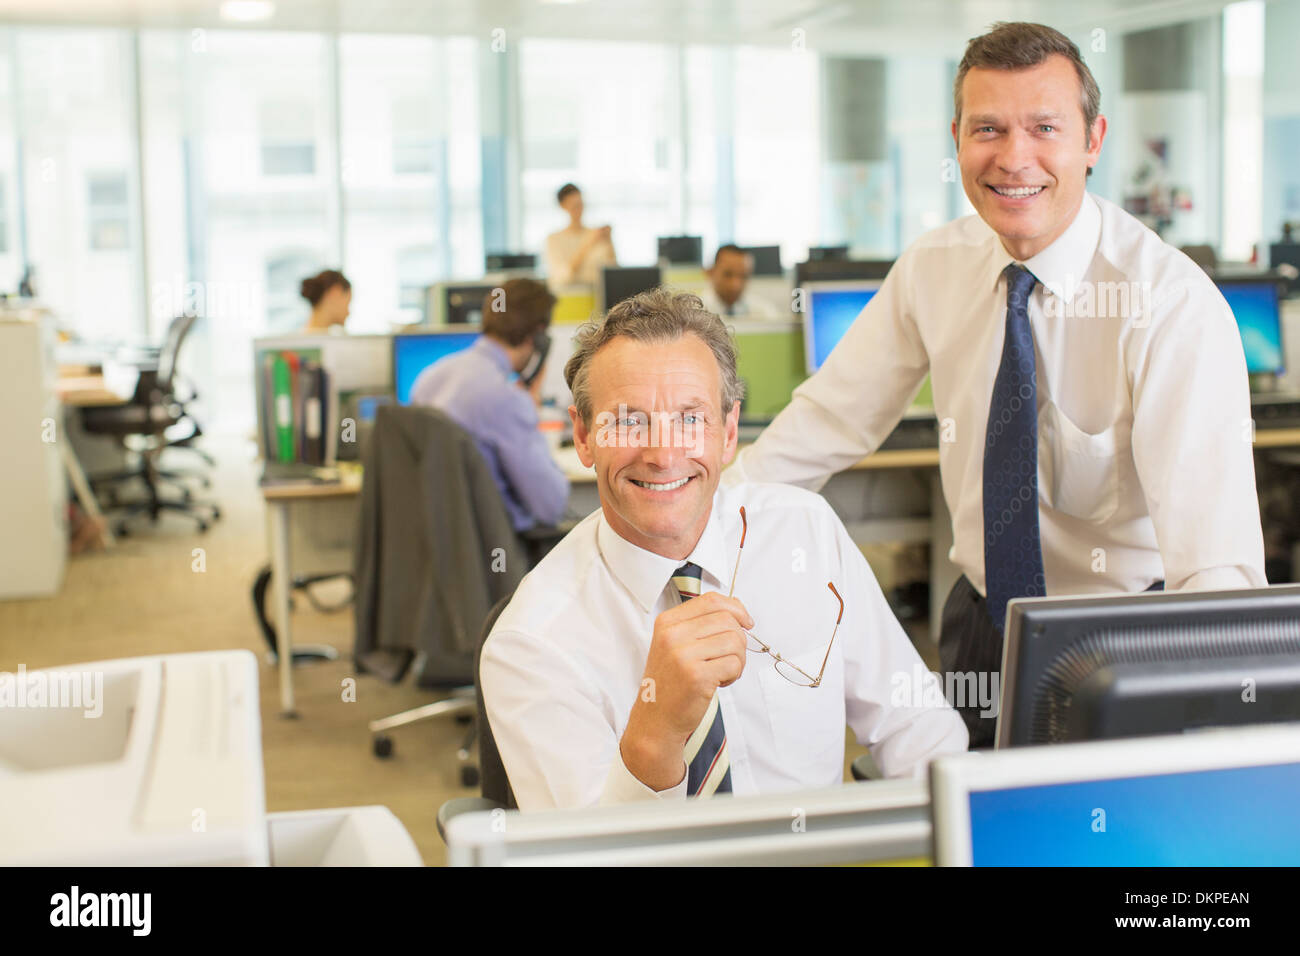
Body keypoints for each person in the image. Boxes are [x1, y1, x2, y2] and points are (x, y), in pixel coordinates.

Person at [727, 21, 1267, 748]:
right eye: (989, 128)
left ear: (1093, 139)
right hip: (979, 624)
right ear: (956, 140)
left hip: (1122, 640)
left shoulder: (1169, 305)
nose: (1015, 158)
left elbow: (1216, 564)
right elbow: (828, 419)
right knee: (970, 838)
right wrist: (705, 528)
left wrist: (1221, 733)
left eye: (1045, 127)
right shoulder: (935, 267)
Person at [480, 289, 966, 811]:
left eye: (690, 418)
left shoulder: (804, 532)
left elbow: (914, 722)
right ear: (583, 435)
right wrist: (655, 735)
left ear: (728, 432)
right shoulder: (532, 641)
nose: (663, 454)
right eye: (628, 420)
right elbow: (586, 856)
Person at [409, 278, 567, 533]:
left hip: (436, 545)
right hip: (493, 549)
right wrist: (531, 403)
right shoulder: (508, 400)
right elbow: (551, 505)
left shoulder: (428, 378)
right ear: (538, 336)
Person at [544, 183, 617, 288]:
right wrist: (588, 244)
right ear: (563, 206)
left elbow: (612, 269)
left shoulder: (596, 234)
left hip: (597, 296)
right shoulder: (553, 239)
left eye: (580, 204)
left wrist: (609, 241)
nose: (579, 210)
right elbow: (564, 277)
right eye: (574, 206)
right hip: (570, 298)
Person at [700, 244, 783, 318]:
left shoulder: (764, 313)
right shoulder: (695, 313)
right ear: (710, 272)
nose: (735, 285)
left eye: (744, 276)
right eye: (728, 274)